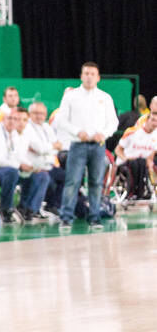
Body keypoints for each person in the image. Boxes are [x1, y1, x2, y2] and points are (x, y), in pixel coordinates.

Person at [55, 63, 118, 230]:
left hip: (98, 145)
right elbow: (62, 120)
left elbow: (113, 122)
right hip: (77, 144)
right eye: (86, 73)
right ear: (81, 76)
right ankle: (66, 217)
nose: (89, 76)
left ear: (98, 77)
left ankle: (94, 217)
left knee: (96, 182)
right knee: (72, 181)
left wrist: (103, 134)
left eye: (92, 74)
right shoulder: (71, 96)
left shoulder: (105, 97)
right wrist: (77, 132)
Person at [0, 105, 46, 224]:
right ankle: (5, 208)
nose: (13, 121)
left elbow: (18, 156)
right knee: (12, 172)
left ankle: (25, 208)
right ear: (3, 119)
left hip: (5, 170)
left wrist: (31, 167)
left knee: (34, 175)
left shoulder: (13, 134)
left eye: (15, 119)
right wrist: (19, 166)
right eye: (10, 118)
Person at [115, 110, 157, 201]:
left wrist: (152, 170)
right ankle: (132, 193)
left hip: (142, 164)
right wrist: (126, 158)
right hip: (125, 162)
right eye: (153, 120)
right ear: (147, 120)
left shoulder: (155, 136)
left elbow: (150, 158)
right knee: (135, 163)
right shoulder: (132, 132)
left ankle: (143, 192)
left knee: (142, 163)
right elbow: (118, 150)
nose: (155, 123)